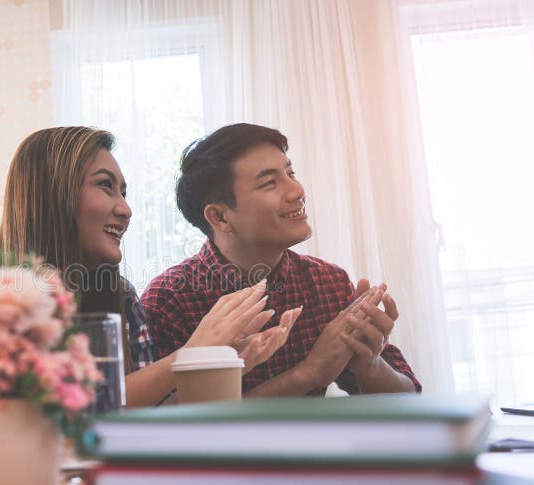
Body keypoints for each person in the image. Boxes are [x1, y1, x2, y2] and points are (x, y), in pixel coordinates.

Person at [0, 126, 302, 407]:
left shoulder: (120, 295)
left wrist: (219, 363)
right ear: (53, 193)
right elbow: (59, 415)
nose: (125, 209)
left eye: (123, 192)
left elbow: (143, 415)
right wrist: (191, 354)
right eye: (106, 186)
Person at [141, 123, 421, 396]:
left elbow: (409, 394)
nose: (297, 191)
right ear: (220, 217)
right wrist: (308, 372)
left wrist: (370, 364)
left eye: (291, 173)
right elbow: (175, 426)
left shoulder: (328, 282)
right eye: (269, 183)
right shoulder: (169, 299)